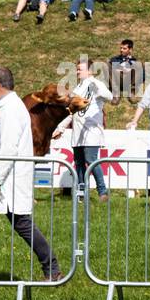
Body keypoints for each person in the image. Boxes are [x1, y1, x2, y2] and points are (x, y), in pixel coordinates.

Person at [0, 67, 63, 282]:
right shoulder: (6, 107)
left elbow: (7, 149)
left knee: (21, 223)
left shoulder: (11, 110)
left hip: (5, 180)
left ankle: (52, 268)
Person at [53, 57, 113, 200]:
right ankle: (81, 192)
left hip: (92, 131)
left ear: (90, 71)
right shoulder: (77, 88)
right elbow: (71, 113)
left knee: (91, 160)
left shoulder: (97, 84)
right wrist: (60, 128)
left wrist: (95, 84)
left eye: (80, 69)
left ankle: (102, 192)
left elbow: (109, 97)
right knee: (79, 163)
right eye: (77, 69)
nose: (78, 71)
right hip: (78, 132)